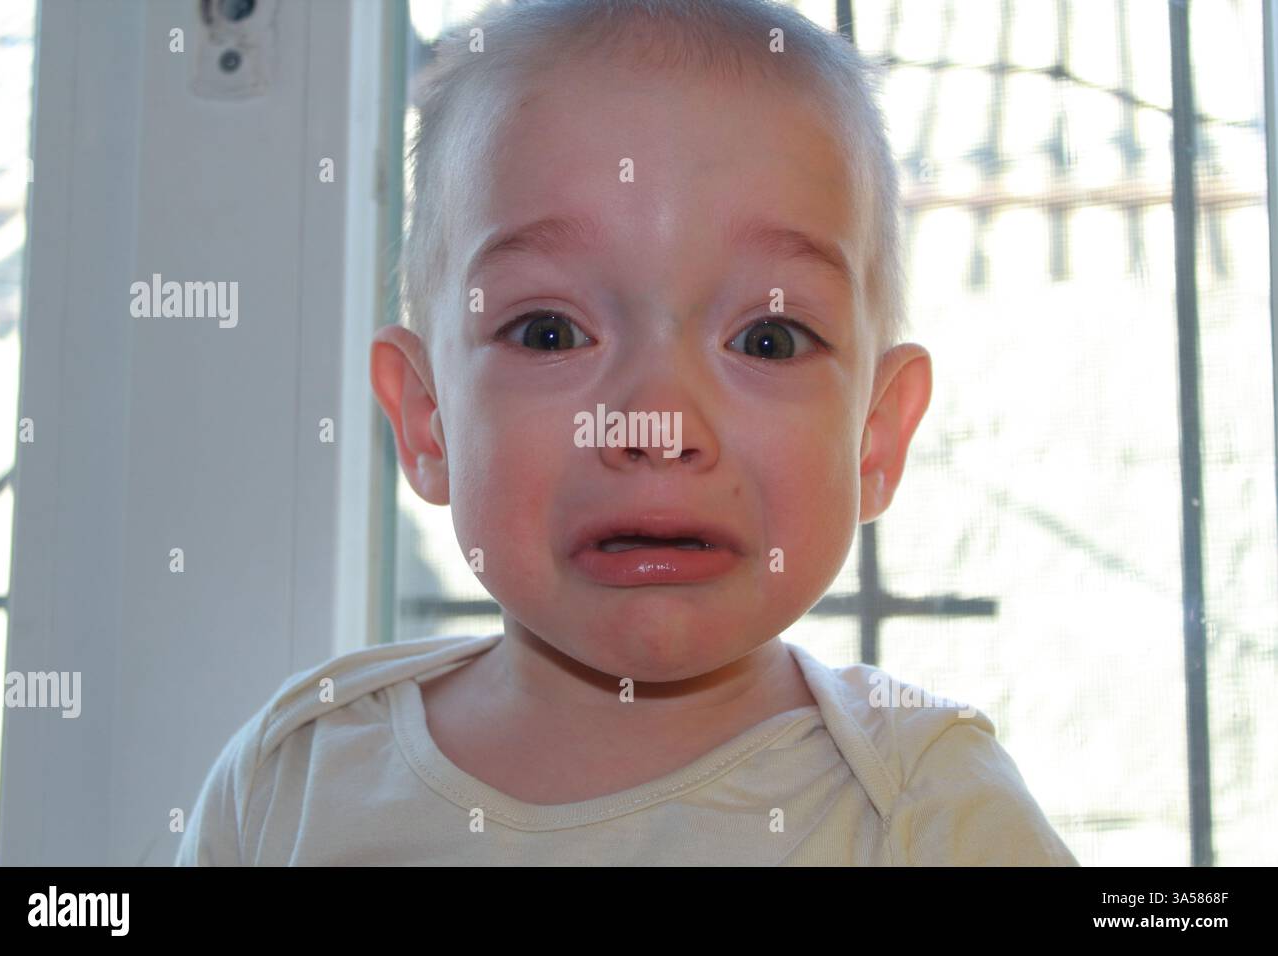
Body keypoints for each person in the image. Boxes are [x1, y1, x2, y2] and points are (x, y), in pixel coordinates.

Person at [175, 0, 1078, 866]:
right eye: (549, 333)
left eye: (768, 339)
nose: (659, 423)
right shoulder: (292, 787)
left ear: (875, 437)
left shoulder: (930, 812)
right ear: (428, 419)